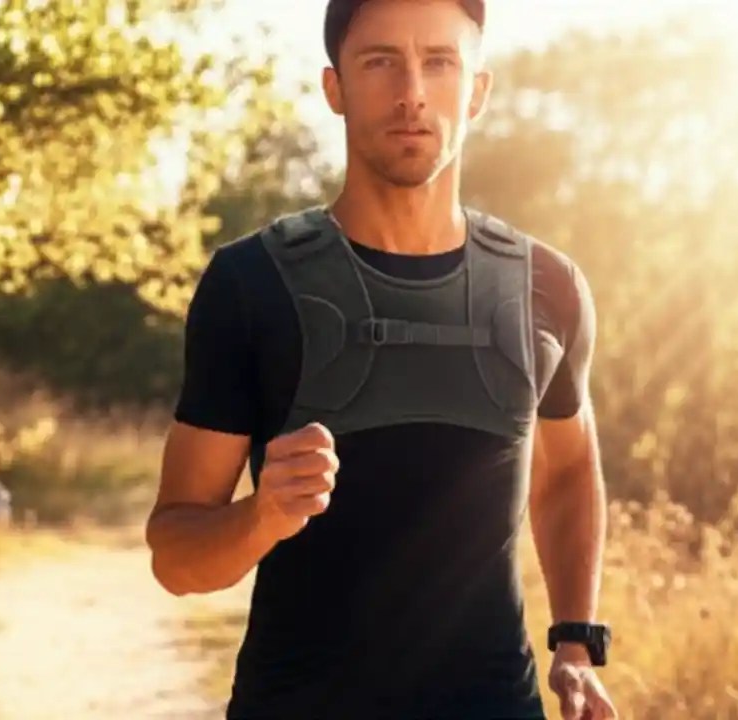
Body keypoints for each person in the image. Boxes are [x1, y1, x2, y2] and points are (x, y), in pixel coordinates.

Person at [145, 1, 618, 718]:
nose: (412, 92)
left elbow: (569, 469)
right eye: (380, 62)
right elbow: (175, 554)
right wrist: (263, 516)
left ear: (478, 91)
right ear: (334, 88)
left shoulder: (548, 288)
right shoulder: (252, 285)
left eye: (439, 62)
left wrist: (575, 640)